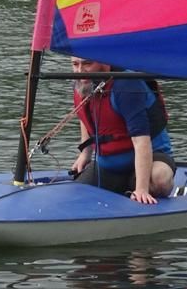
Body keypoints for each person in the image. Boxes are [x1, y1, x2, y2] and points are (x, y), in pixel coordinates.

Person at [66, 56, 176, 204]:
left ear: (104, 61)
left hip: (152, 157)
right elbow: (85, 116)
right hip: (109, 166)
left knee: (159, 179)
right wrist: (85, 154)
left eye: (87, 63)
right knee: (76, 196)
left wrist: (142, 189)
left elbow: (141, 141)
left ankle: (139, 187)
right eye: (75, 64)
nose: (80, 71)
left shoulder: (126, 85)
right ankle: (123, 187)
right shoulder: (83, 82)